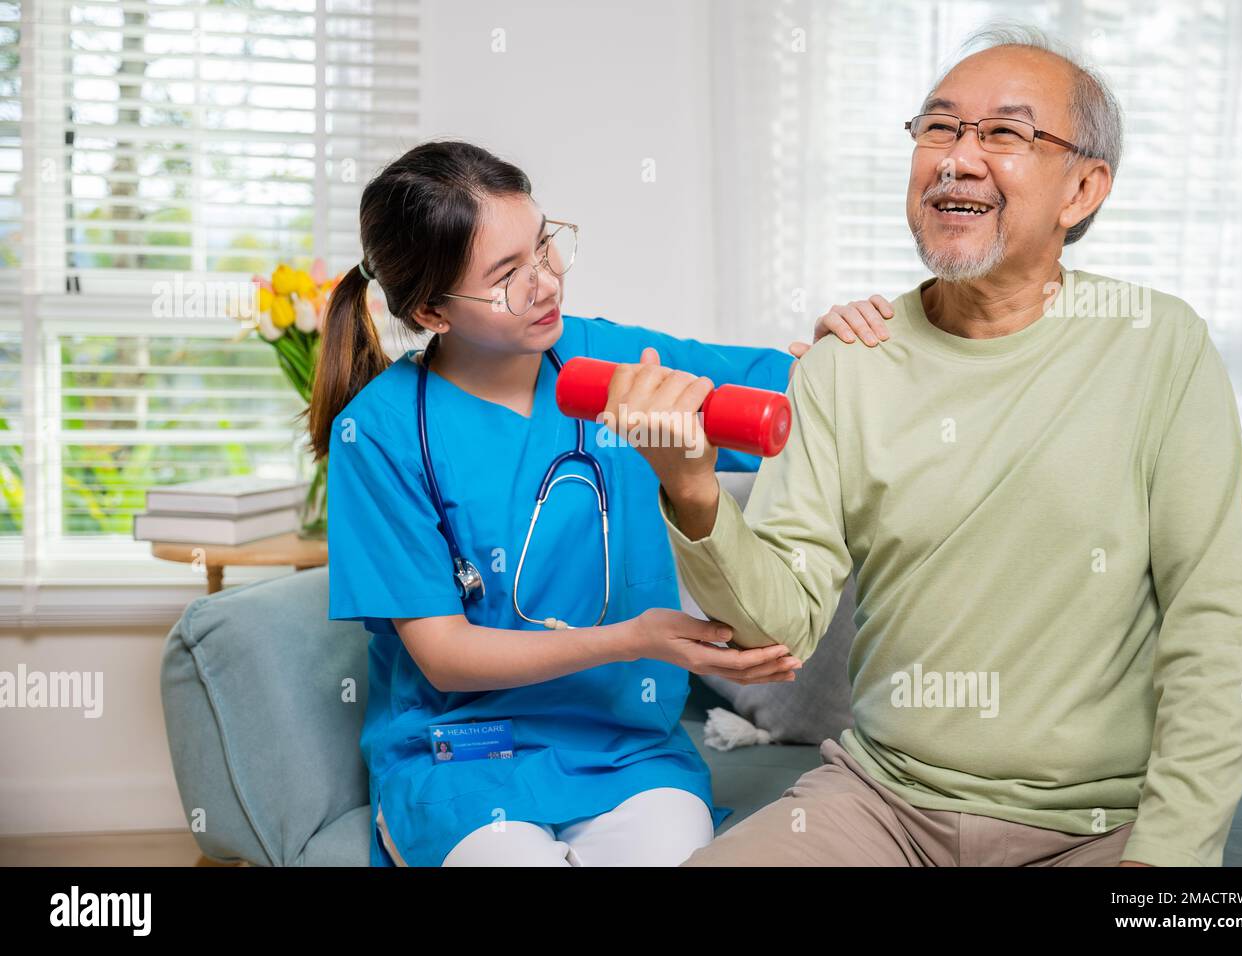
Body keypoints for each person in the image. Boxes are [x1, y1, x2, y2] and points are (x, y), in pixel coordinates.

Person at [606, 25, 1242, 868]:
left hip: (1103, 826)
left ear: (1084, 188)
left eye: (1006, 134)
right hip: (880, 803)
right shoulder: (848, 362)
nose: (957, 158)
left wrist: (1162, 863)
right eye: (939, 128)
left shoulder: (1159, 345)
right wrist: (692, 491)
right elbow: (781, 630)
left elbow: (1213, 634)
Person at [306, 140, 896, 867]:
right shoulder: (383, 433)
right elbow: (446, 656)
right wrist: (632, 639)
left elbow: (801, 401)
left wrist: (844, 349)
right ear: (432, 310)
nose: (546, 282)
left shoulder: (613, 364)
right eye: (505, 275)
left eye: (545, 245)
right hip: (461, 756)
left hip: (624, 748)